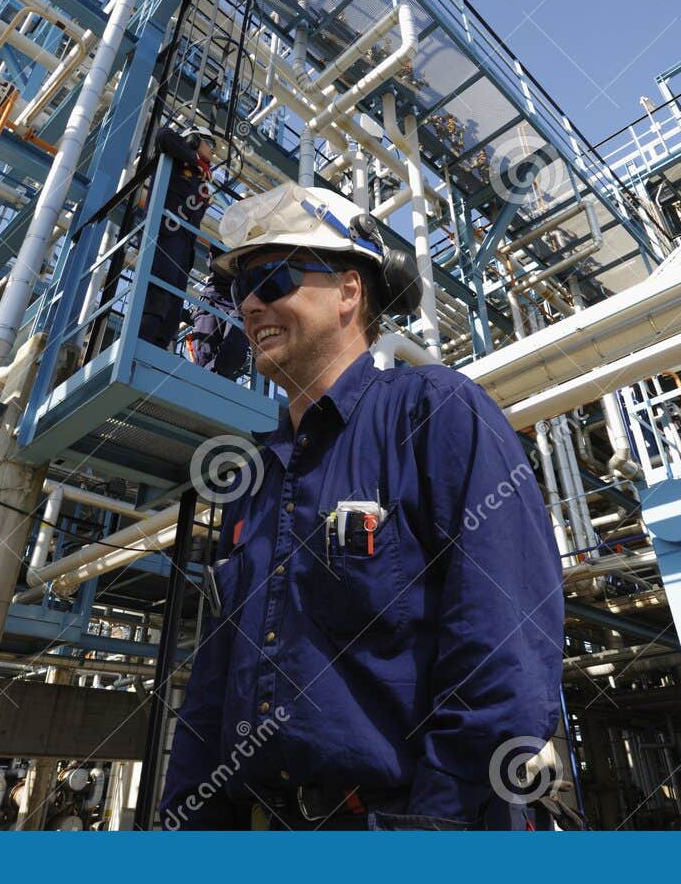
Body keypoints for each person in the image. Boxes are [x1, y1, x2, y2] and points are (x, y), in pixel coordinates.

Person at [158, 183, 564, 830]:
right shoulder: (256, 481)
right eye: (240, 290)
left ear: (350, 291)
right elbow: (212, 684)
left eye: (272, 278)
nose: (251, 304)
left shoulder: (435, 413)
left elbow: (504, 654)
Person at [137, 123, 215, 352]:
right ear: (194, 140)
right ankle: (139, 347)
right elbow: (162, 135)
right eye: (209, 144)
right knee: (156, 301)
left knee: (172, 311)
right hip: (163, 238)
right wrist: (193, 157)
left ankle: (156, 353)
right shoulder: (176, 160)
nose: (213, 152)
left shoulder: (199, 182)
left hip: (183, 250)